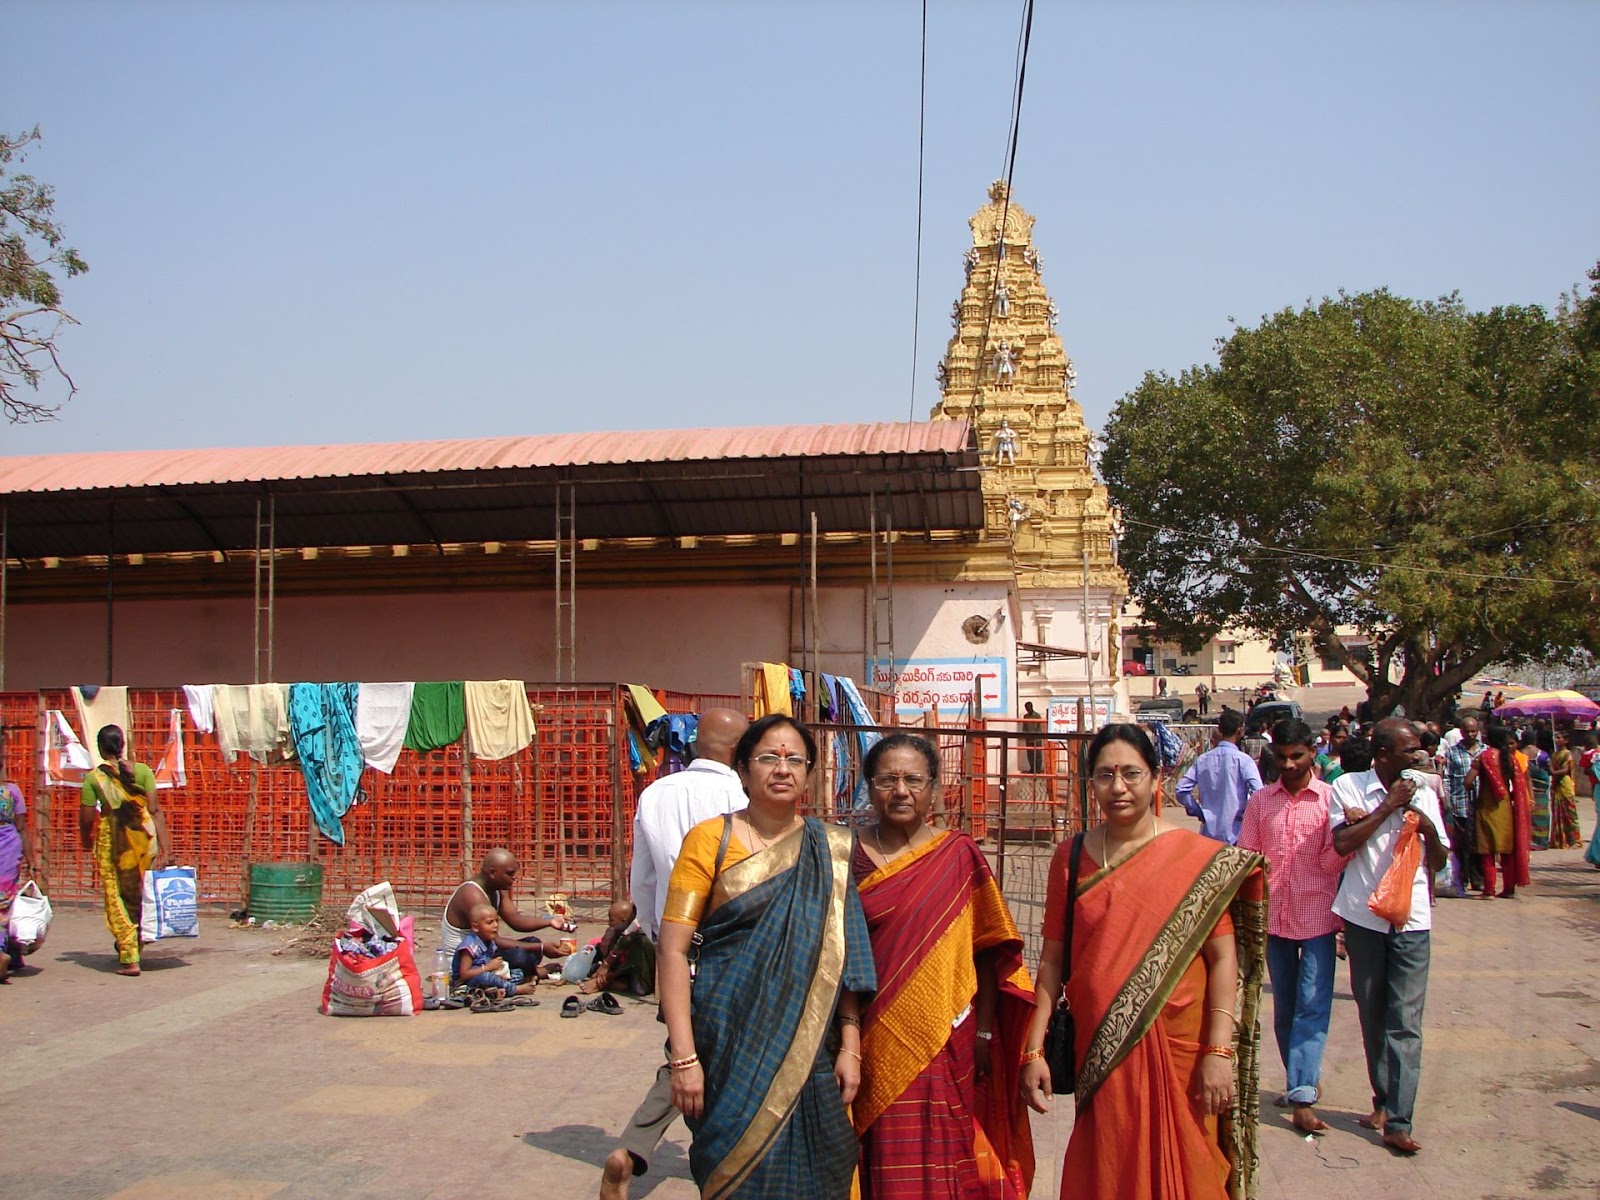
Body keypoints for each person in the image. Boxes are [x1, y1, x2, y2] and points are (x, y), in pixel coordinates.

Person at [1020, 724, 1266, 1199]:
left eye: (1131, 773)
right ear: (1091, 782)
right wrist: (1034, 1049)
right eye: (1105, 774)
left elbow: (1223, 959)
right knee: (1111, 1164)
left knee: (1190, 1168)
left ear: (1156, 778)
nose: (1118, 787)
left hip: (1181, 1051)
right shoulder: (1070, 857)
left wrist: (1218, 1051)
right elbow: (1051, 962)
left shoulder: (1197, 859)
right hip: (1102, 1050)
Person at [658, 715, 876, 1198]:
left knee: (822, 1166)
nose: (782, 769)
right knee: (734, 1171)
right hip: (726, 1044)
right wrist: (684, 1058)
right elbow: (672, 951)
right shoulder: (709, 840)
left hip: (812, 1048)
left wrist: (851, 1045)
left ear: (810, 773)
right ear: (742, 769)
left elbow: (847, 957)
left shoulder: (834, 849)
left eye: (795, 759)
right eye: (768, 758)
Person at [852, 733, 1035, 1197]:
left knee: (945, 1153)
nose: (901, 791)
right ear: (869, 786)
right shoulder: (845, 856)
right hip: (866, 1037)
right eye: (887, 780)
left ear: (933, 787)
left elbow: (989, 950)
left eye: (914, 780)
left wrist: (986, 1033)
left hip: (945, 1038)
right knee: (880, 1159)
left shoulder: (958, 854)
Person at [599, 708, 748, 1200]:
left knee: (687, 1050)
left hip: (675, 947)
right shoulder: (742, 797)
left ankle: (638, 1150)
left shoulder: (656, 793)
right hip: (732, 947)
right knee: (711, 1053)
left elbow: (642, 880)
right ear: (740, 750)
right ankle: (660, 1152)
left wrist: (656, 938)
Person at [1330, 718, 1450, 1155]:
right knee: (1372, 1014)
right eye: (1409, 749)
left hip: (1412, 920)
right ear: (1382, 755)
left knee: (1405, 1021)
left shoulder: (1424, 789)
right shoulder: (1348, 787)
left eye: (1418, 748)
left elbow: (1439, 860)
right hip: (1363, 918)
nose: (1418, 755)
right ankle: (1382, 1099)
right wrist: (1387, 807)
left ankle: (1399, 1120)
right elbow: (1343, 844)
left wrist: (1427, 827)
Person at [1237, 719, 1346, 1136]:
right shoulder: (1261, 802)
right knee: (1285, 1007)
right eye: (1281, 757)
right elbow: (1246, 855)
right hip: (1274, 918)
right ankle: (1300, 1077)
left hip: (1318, 916)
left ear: (1313, 752)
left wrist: (1346, 839)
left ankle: (1302, 1096)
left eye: (1296, 756)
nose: (1288, 765)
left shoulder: (1331, 801)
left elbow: (1334, 860)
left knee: (1312, 1004)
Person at [78, 724, 171, 977]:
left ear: (100, 749)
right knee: (140, 893)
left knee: (116, 895)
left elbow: (86, 817)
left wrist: (86, 839)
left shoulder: (94, 778)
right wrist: (167, 848)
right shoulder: (143, 771)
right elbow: (155, 810)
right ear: (122, 745)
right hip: (144, 838)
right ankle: (136, 943)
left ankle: (130, 958)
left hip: (115, 842)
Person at [441, 849, 575, 982]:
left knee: (533, 943)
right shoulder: (472, 894)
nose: (514, 878)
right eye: (509, 874)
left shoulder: (498, 888)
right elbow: (495, 940)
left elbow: (515, 919)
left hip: (487, 952)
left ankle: (524, 972)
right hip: (469, 964)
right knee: (520, 955)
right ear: (493, 873)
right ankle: (532, 973)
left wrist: (550, 921)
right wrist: (542, 948)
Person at [1175, 708, 1263, 844]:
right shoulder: (1244, 761)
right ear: (1240, 731)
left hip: (1208, 835)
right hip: (1236, 834)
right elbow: (1259, 792)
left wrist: (1198, 811)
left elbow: (1181, 789)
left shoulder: (1203, 760)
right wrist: (1248, 813)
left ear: (1220, 729)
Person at [1464, 726, 1532, 899]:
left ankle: (1489, 890)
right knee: (1507, 851)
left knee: (1487, 851)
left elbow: (1468, 781)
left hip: (1487, 807)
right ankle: (1508, 889)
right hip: (1506, 809)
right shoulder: (1510, 758)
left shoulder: (1484, 757)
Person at [0, 768, 39, 982]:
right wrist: (31, 859)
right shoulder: (12, 791)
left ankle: (3, 954)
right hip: (9, 848)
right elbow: (22, 826)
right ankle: (11, 954)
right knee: (5, 902)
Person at [452, 903, 540, 999]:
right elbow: (464, 975)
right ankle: (515, 989)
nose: (495, 925)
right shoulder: (469, 946)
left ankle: (496, 990)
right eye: (490, 922)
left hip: (488, 975)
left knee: (518, 973)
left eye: (497, 921)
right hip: (469, 981)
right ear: (476, 927)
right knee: (484, 977)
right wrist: (487, 967)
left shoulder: (489, 942)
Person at [1438, 718, 1484, 896]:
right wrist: (1447, 801)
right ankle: (1462, 879)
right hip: (1460, 804)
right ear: (1461, 732)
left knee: (1478, 844)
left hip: (1481, 805)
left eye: (1474, 731)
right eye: (1467, 731)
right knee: (1461, 844)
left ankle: (1478, 879)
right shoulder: (1452, 752)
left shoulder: (1485, 751)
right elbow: (1447, 778)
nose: (1471, 734)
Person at [1546, 729, 1582, 850]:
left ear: (1566, 741)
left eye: (1559, 738)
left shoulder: (1567, 754)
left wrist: (1552, 771)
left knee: (1569, 814)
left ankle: (1574, 840)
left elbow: (1565, 770)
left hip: (1565, 785)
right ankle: (1560, 839)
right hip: (1556, 785)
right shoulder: (1554, 754)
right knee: (1557, 813)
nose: (1556, 740)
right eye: (1555, 738)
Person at [1524, 730, 1552, 849]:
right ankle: (1542, 840)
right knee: (1543, 814)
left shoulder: (1520, 754)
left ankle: (1530, 839)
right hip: (1541, 789)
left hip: (1527, 788)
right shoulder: (1542, 754)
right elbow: (1549, 770)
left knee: (1530, 814)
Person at [1021, 701, 1044, 775]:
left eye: (1028, 707)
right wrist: (1026, 735)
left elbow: (1040, 727)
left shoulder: (1037, 716)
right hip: (1028, 739)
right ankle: (1032, 768)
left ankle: (1038, 769)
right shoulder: (1025, 716)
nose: (1027, 709)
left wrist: (1036, 736)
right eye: (1026, 708)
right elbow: (1024, 727)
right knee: (1030, 755)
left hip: (1037, 739)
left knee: (1038, 755)